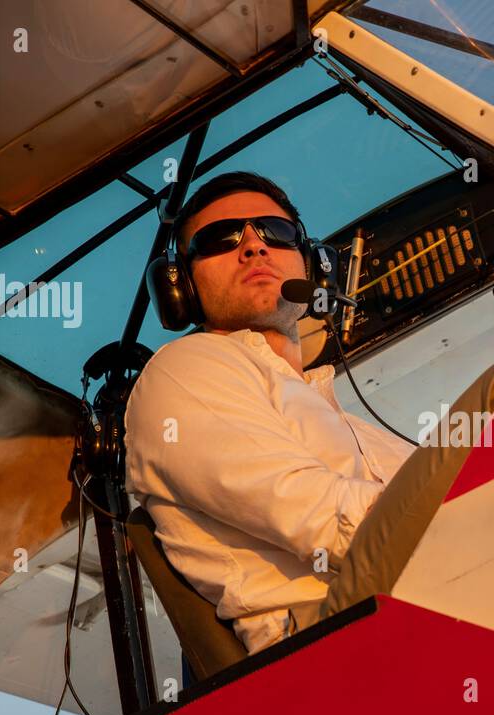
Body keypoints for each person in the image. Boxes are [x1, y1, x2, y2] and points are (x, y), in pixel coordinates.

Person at [124, 172, 414, 655]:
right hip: (342, 637)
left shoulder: (347, 421)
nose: (254, 248)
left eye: (275, 233)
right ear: (182, 286)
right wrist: (468, 514)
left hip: (418, 605)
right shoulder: (183, 370)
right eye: (221, 239)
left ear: (315, 265)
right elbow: (322, 518)